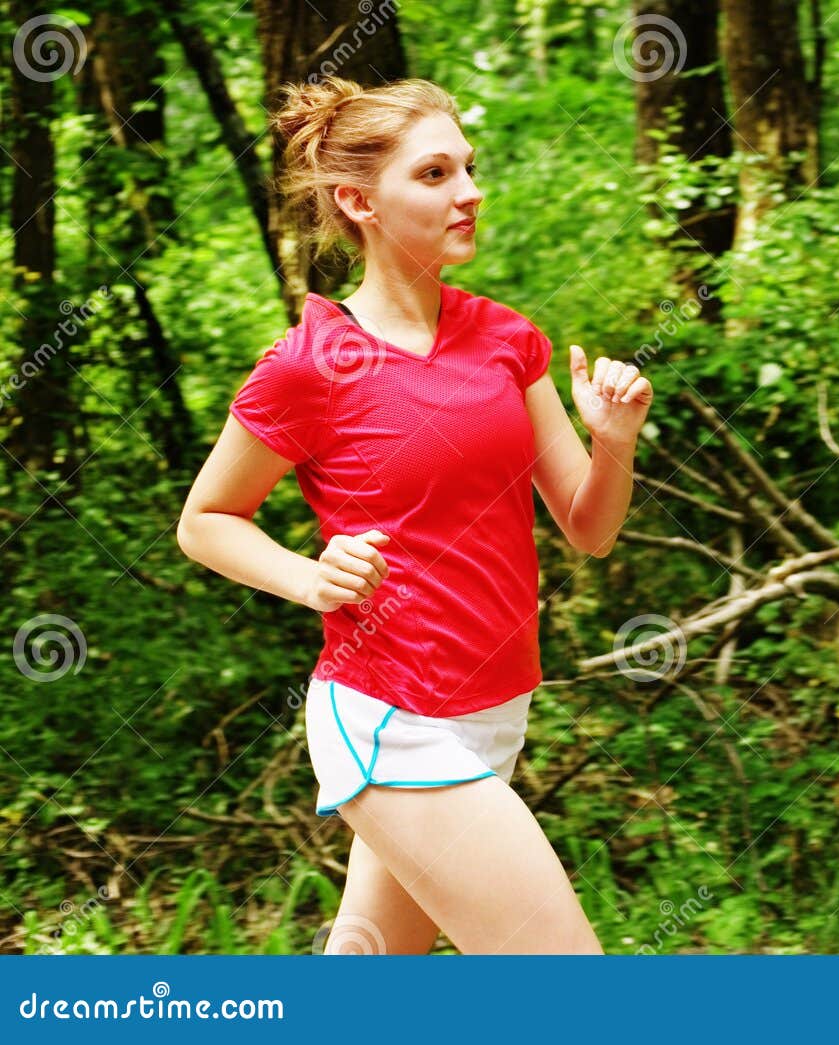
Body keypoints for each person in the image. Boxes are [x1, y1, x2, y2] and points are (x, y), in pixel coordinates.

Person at [177, 76, 652, 955]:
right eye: (434, 174)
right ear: (357, 201)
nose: (470, 191)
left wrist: (614, 439)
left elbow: (589, 527)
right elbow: (206, 518)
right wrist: (311, 578)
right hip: (393, 716)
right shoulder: (312, 361)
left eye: (468, 167)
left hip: (495, 711)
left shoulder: (508, 341)